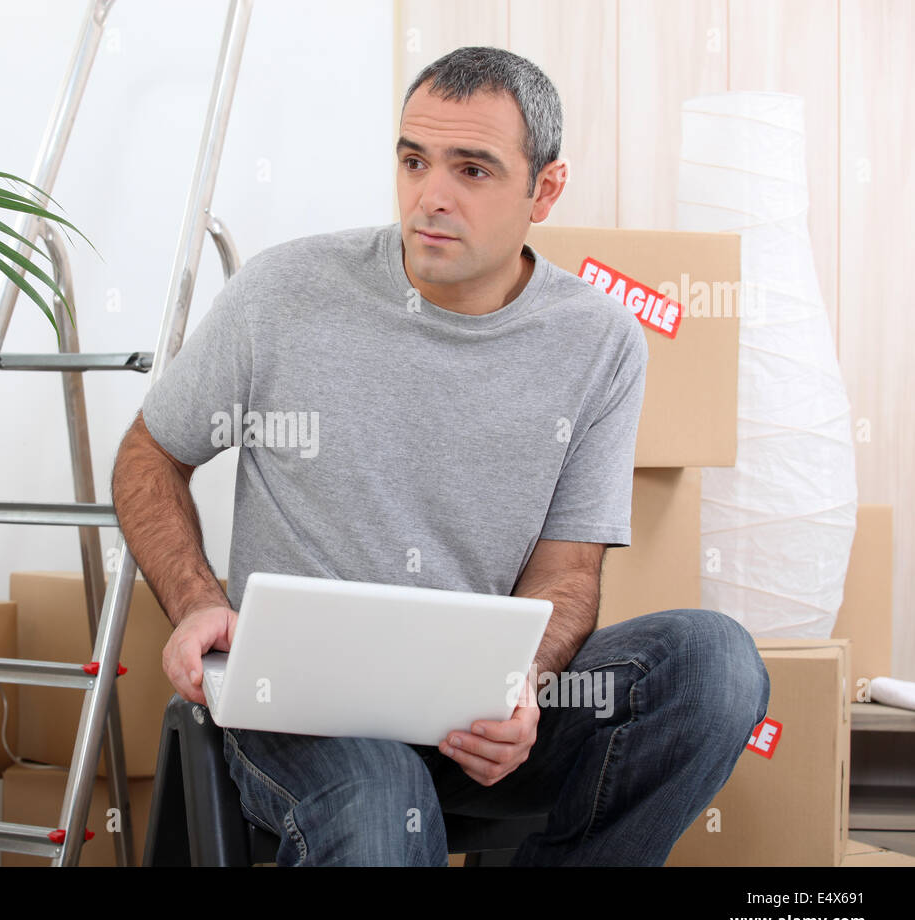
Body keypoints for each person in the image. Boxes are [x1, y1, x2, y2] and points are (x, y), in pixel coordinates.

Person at [111, 46, 769, 866]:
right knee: (384, 797)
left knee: (715, 666)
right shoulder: (284, 295)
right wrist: (197, 599)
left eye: (473, 170)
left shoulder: (599, 341)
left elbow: (568, 573)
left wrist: (522, 685)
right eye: (414, 161)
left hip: (477, 711)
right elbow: (149, 457)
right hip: (304, 711)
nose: (432, 197)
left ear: (546, 190)